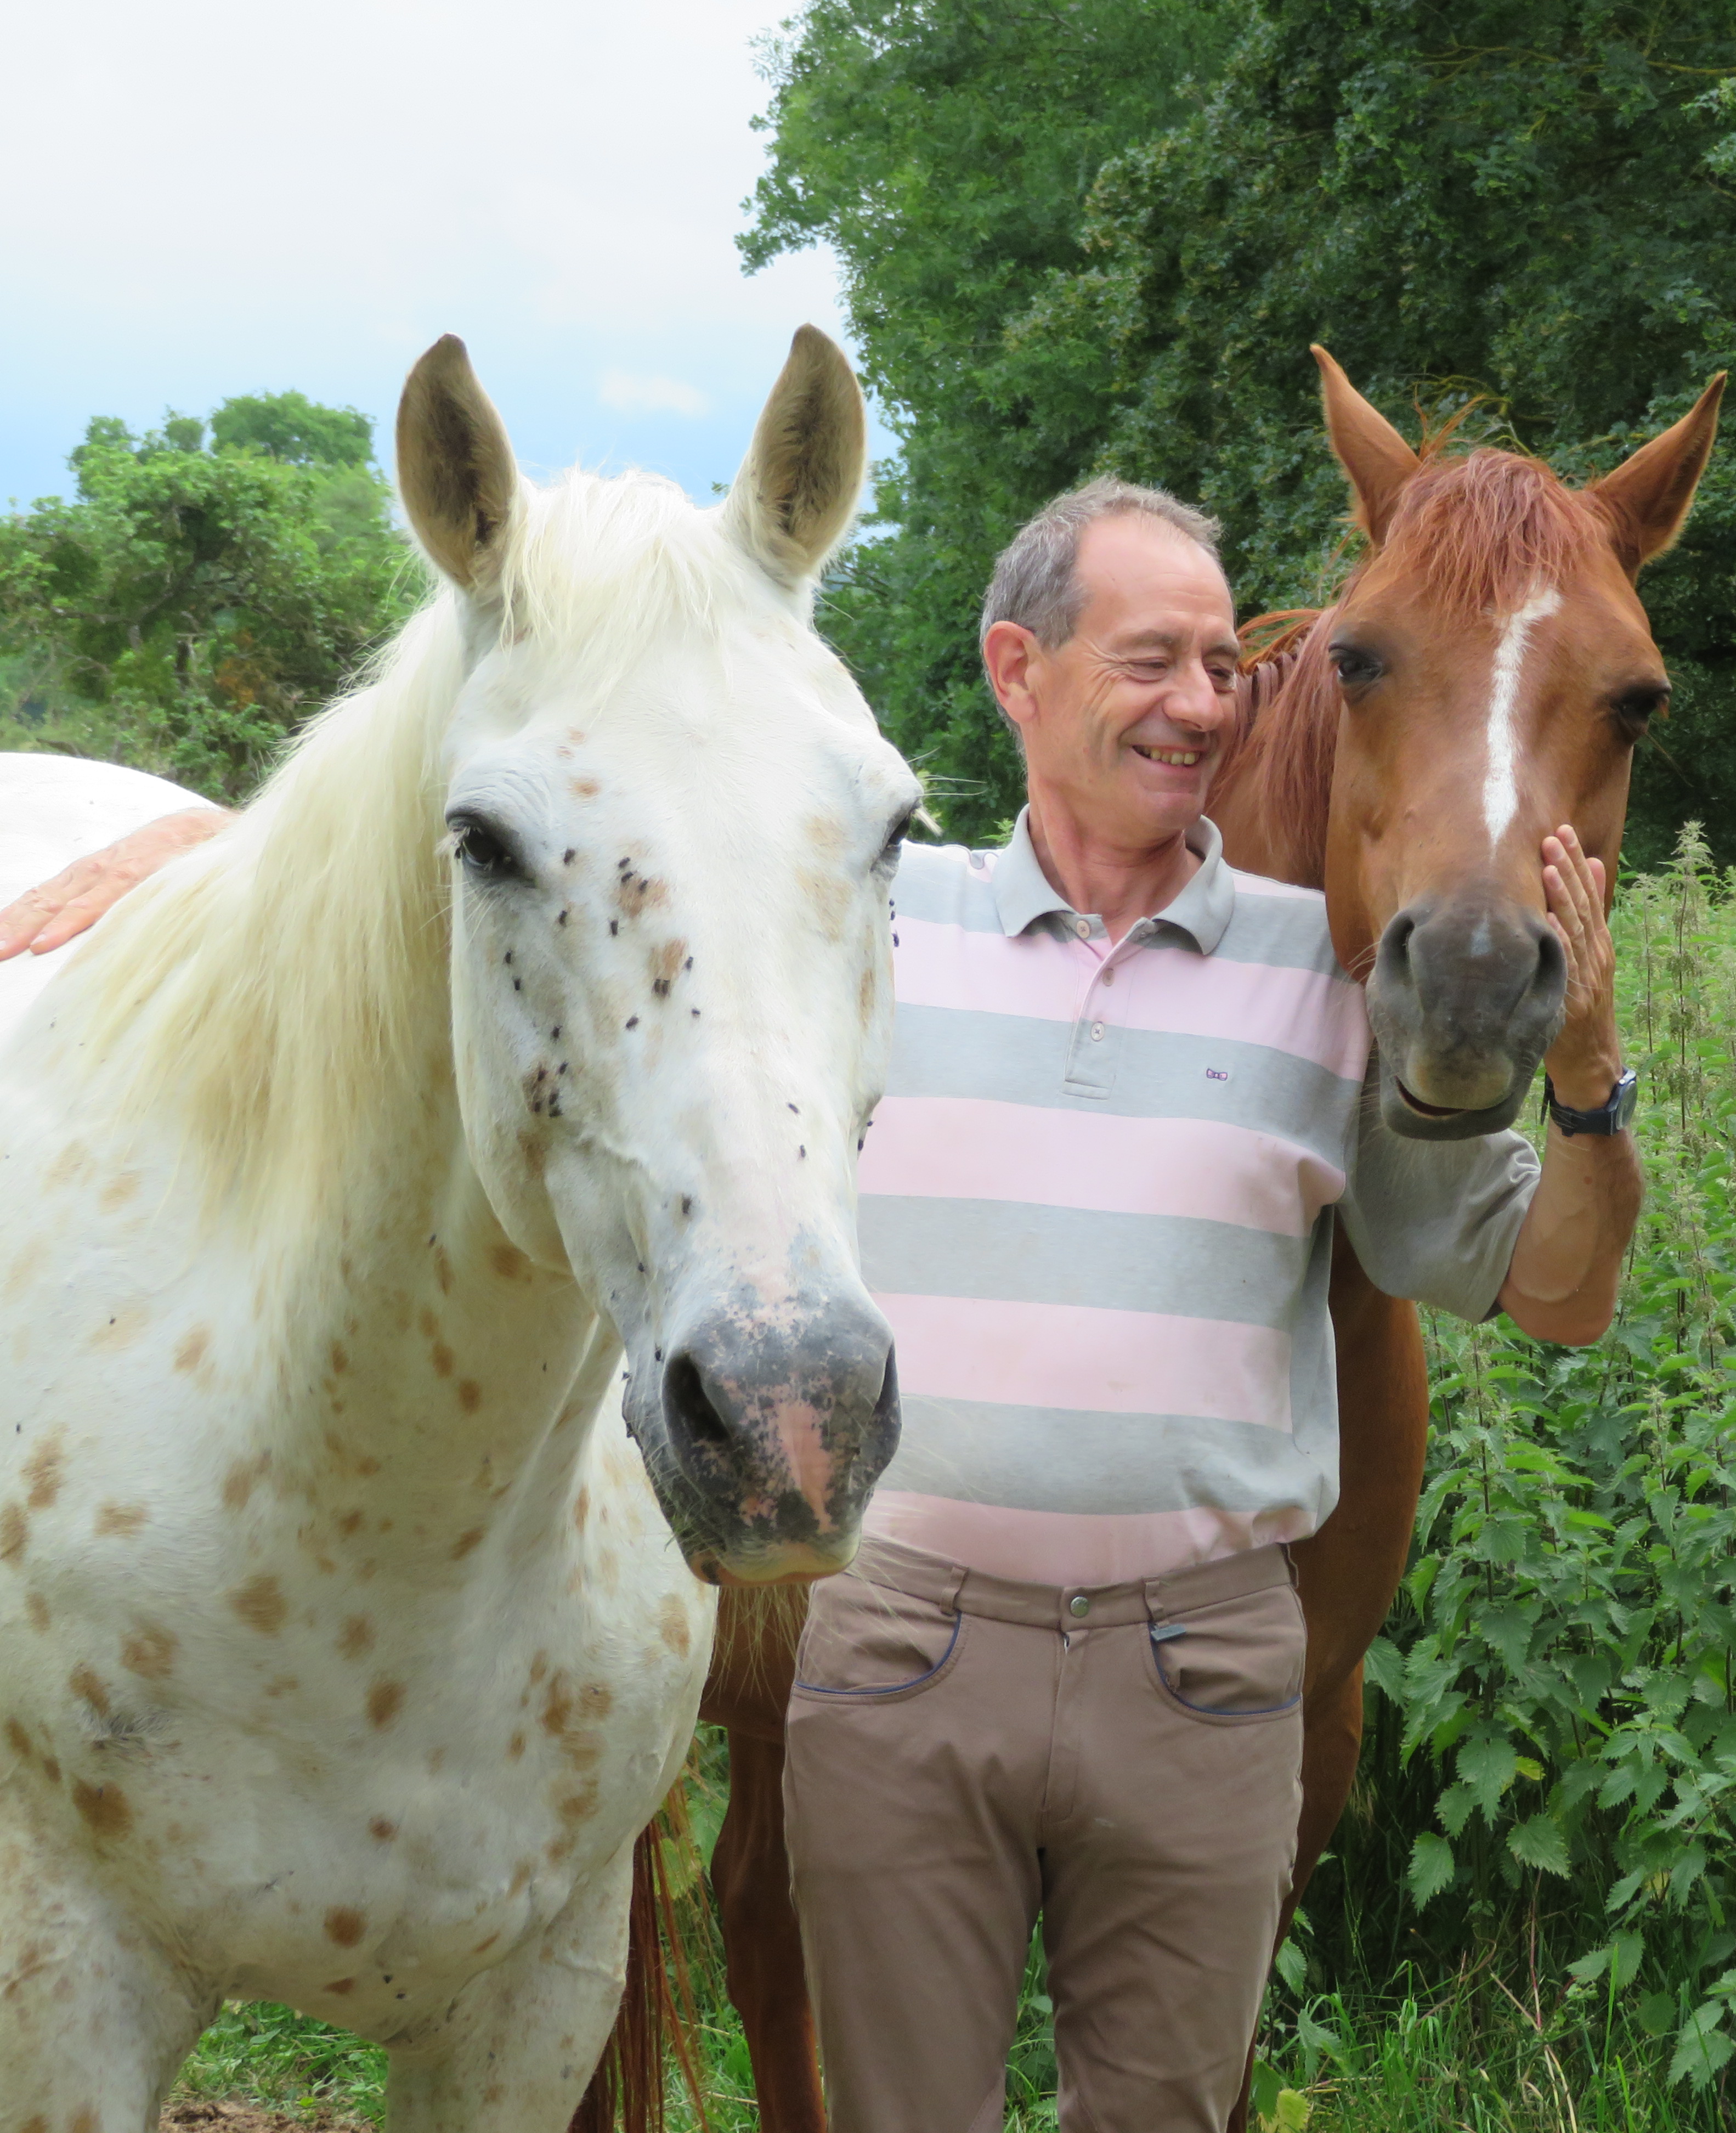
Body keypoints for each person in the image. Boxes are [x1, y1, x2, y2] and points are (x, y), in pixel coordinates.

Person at [0, 476, 1642, 2133]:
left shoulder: (1320, 981)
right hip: (918, 1650)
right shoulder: (871, 927)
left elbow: (1544, 1285)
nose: (1207, 703)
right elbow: (576, 891)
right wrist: (161, 881)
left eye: (1228, 663)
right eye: (1153, 658)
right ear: (1019, 672)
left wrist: (1590, 1086)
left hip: (1192, 1670)